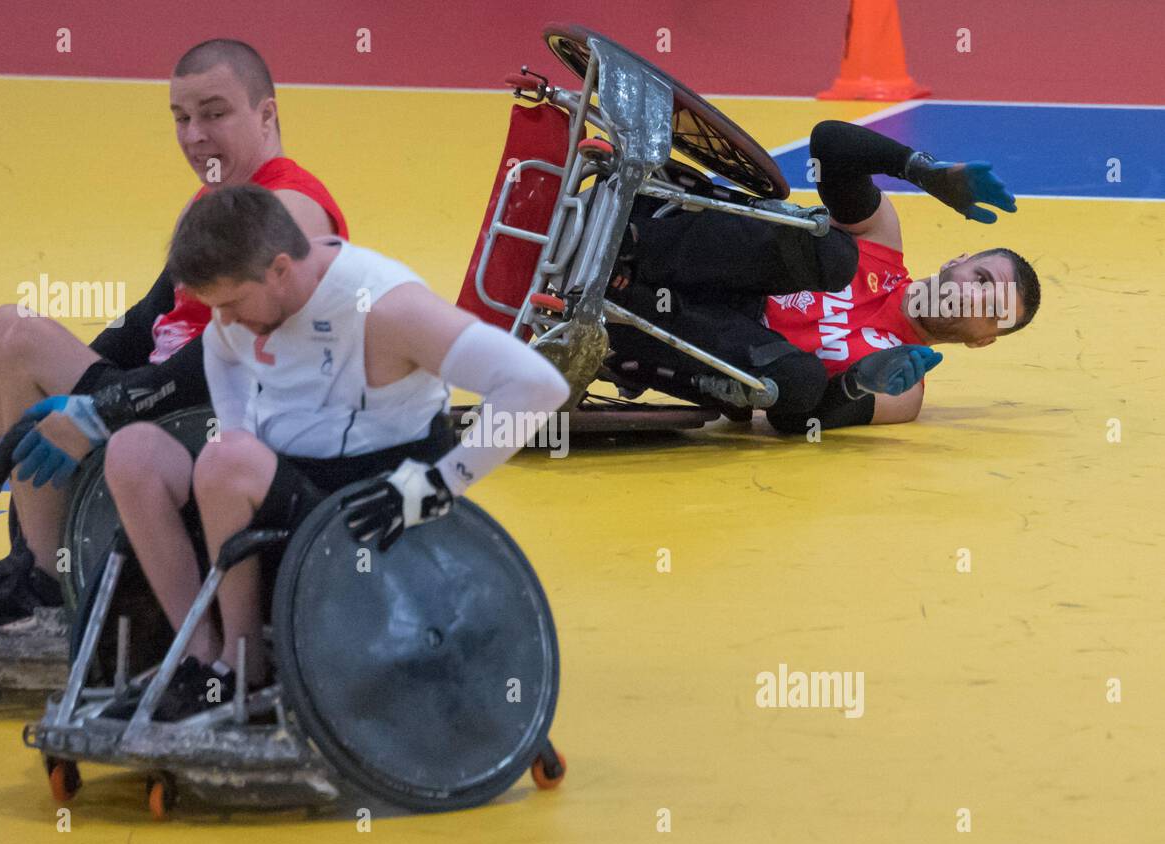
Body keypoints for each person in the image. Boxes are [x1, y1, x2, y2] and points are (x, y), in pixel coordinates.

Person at [101, 185, 569, 719]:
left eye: (231, 304)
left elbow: (537, 385)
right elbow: (221, 353)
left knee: (227, 461)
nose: (224, 322)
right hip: (282, 495)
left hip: (369, 513)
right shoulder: (245, 304)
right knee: (132, 452)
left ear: (280, 269)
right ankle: (198, 660)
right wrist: (237, 428)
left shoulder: (387, 307)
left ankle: (243, 667)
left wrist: (439, 486)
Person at [0, 39, 346, 625]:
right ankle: (42, 569)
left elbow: (230, 355)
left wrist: (107, 404)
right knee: (3, 339)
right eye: (181, 118)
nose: (194, 135)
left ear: (266, 114)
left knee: (15, 339)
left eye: (214, 113)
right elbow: (145, 320)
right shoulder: (214, 202)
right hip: (171, 396)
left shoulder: (291, 208)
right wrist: (16, 400)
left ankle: (49, 589)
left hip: (223, 415)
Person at [603, 120, 1041, 433]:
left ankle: (624, 316)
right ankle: (637, 242)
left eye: (992, 310)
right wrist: (921, 170)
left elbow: (793, 420)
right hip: (702, 255)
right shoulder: (882, 241)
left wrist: (857, 382)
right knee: (835, 255)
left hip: (708, 338)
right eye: (982, 280)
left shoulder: (902, 391)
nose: (975, 298)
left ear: (982, 340)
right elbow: (829, 142)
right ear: (956, 262)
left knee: (801, 383)